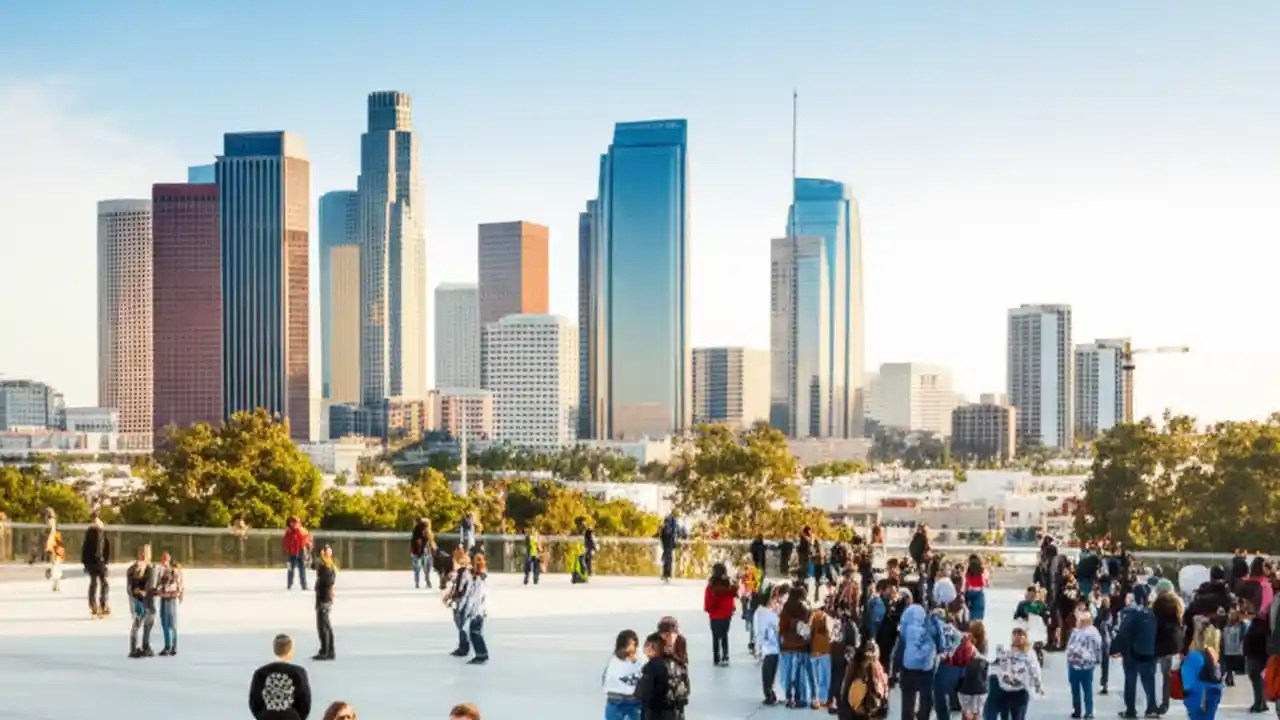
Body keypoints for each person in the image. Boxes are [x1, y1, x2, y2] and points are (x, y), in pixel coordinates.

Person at [892, 592, 945, 720]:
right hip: (926, 668)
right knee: (926, 698)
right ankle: (923, 716)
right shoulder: (931, 626)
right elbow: (941, 646)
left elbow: (899, 651)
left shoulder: (906, 629)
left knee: (907, 699)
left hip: (908, 668)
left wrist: (894, 671)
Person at [1112, 584, 1158, 719]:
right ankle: (1151, 708)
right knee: (1149, 682)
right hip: (1149, 653)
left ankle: (1131, 710)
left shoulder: (1131, 614)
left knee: (1130, 682)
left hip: (1133, 654)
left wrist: (1116, 648)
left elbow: (1124, 632)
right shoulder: (1152, 614)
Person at [249, 634, 312, 720]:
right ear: (291, 650)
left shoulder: (260, 673)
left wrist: (262, 716)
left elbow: (255, 701)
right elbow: (305, 701)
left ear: (274, 648)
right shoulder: (298, 672)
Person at [989, 627, 1043, 720]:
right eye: (1015, 634)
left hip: (1020, 691)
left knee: (1018, 717)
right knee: (1004, 717)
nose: (1017, 637)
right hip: (1005, 691)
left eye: (1020, 634)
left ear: (1025, 637)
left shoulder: (1029, 653)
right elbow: (996, 666)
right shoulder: (1006, 651)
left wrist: (1038, 685)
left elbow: (1035, 669)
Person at [1067, 605, 1104, 719]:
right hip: (1075, 664)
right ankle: (1078, 710)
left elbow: (1098, 648)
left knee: (1085, 688)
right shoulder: (1075, 632)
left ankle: (1088, 711)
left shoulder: (1093, 633)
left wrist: (1097, 659)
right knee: (1077, 689)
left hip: (1084, 664)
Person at [1152, 579, 1183, 714]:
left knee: (1160, 674)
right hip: (1175, 642)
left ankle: (1158, 703)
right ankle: (1165, 703)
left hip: (1161, 641)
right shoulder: (1178, 603)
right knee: (1167, 675)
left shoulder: (1158, 603)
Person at [780, 585, 814, 708]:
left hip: (788, 645)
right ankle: (800, 698)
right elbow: (809, 627)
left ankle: (789, 697)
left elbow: (782, 627)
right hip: (801, 645)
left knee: (789, 672)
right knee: (800, 674)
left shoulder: (786, 608)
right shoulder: (805, 608)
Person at [1181, 623, 1224, 720]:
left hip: (1197, 691)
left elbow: (1188, 679)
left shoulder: (1193, 656)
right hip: (1215, 687)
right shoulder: (1215, 654)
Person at [840, 641, 890, 720]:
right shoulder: (856, 668)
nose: (869, 661)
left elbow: (845, 696)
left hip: (862, 713)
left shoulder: (855, 668)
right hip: (864, 714)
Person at [637, 632, 681, 720]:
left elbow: (645, 691)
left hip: (654, 711)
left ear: (650, 647)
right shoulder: (672, 663)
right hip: (671, 710)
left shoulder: (651, 666)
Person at [603, 629, 644, 720]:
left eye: (632, 645)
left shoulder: (640, 660)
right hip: (615, 702)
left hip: (634, 703)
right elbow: (607, 680)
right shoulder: (613, 662)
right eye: (626, 645)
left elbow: (641, 677)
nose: (628, 649)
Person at [126, 544, 158, 658]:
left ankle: (145, 645)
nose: (143, 556)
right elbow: (130, 586)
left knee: (148, 624)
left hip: (148, 601)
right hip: (138, 601)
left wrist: (145, 591)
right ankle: (134, 648)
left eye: (146, 553)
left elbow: (151, 584)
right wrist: (136, 592)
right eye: (142, 553)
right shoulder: (132, 568)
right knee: (137, 623)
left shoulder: (151, 568)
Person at [756, 584, 786, 705]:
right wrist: (759, 647)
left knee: (772, 672)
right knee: (768, 672)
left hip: (774, 647)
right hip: (768, 648)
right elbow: (760, 632)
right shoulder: (763, 613)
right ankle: (768, 693)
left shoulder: (770, 613)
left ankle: (770, 692)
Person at [459, 553, 490, 664]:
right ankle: (481, 653)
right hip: (477, 610)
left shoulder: (480, 580)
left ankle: (482, 654)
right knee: (474, 633)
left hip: (477, 611)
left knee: (475, 633)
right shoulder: (476, 578)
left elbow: (477, 597)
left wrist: (472, 611)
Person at [704, 562, 736, 666]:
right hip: (726, 615)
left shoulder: (711, 586)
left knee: (715, 637)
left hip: (715, 616)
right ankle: (725, 656)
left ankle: (716, 657)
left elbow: (708, 602)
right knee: (724, 635)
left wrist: (710, 609)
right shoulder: (728, 585)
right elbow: (732, 597)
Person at [444, 547, 474, 657]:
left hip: (463, 601)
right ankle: (463, 645)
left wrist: (452, 598)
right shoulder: (464, 571)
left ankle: (464, 647)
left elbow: (460, 589)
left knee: (462, 624)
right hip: (464, 600)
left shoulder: (463, 572)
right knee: (461, 624)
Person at [82, 510, 112, 618]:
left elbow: (106, 547)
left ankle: (98, 604)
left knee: (100, 583)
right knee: (98, 583)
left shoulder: (100, 531)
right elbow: (86, 549)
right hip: (95, 562)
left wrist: (106, 560)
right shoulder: (94, 532)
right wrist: (86, 562)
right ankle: (96, 604)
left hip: (99, 561)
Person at [957, 621, 989, 720]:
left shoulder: (965, 643)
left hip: (965, 685)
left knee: (966, 714)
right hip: (981, 686)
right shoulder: (985, 645)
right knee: (977, 715)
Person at [1243, 596, 1270, 712]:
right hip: (1256, 653)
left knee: (1256, 677)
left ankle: (1260, 703)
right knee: (1257, 678)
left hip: (1257, 654)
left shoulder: (1260, 624)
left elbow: (1257, 638)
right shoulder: (1256, 622)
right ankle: (1261, 702)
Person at [156, 551, 184, 656]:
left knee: (171, 623)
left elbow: (177, 584)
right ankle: (168, 645)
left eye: (165, 558)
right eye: (162, 558)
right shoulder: (161, 570)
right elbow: (158, 583)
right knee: (164, 623)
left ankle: (173, 646)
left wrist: (179, 593)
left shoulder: (173, 570)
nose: (163, 560)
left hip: (170, 598)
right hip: (164, 597)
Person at [313, 544, 336, 661]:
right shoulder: (327, 566)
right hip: (324, 598)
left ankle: (326, 651)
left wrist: (323, 600)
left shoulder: (326, 568)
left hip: (324, 599)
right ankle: (327, 650)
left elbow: (327, 584)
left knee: (324, 626)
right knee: (324, 625)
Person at [809, 607, 833, 710]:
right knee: (825, 677)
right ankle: (823, 699)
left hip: (814, 650)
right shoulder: (828, 618)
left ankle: (815, 699)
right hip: (825, 650)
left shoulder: (812, 617)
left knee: (815, 678)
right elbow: (831, 634)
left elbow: (808, 633)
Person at [283, 517, 311, 591]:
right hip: (292, 553)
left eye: (297, 522)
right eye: (294, 522)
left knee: (302, 569)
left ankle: (304, 585)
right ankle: (289, 584)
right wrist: (287, 550)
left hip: (301, 552)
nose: (295, 524)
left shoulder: (302, 531)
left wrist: (308, 547)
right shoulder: (288, 532)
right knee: (290, 569)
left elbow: (307, 539)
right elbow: (286, 542)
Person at [1222, 609, 1246, 687]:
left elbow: (1243, 636)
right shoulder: (1224, 624)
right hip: (1227, 649)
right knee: (1229, 665)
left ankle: (1229, 678)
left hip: (1237, 649)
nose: (1231, 616)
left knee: (1233, 665)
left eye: (1233, 614)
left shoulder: (1241, 625)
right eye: (1230, 614)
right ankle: (1229, 678)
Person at [410, 518, 435, 589]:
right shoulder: (428, 532)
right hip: (426, 552)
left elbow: (413, 542)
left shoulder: (416, 531)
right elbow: (432, 543)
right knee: (426, 569)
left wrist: (413, 551)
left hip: (418, 552)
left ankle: (417, 583)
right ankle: (427, 582)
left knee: (417, 568)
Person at [964, 556, 988, 622]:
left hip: (970, 591)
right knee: (978, 613)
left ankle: (971, 624)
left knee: (971, 612)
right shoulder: (982, 570)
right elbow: (984, 582)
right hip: (979, 591)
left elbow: (966, 583)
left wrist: (965, 594)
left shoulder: (968, 570)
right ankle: (977, 627)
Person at [659, 513, 679, 583]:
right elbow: (663, 537)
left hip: (667, 546)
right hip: (668, 546)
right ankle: (666, 575)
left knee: (667, 560)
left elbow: (662, 537)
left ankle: (666, 575)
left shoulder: (666, 528)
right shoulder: (668, 528)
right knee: (668, 560)